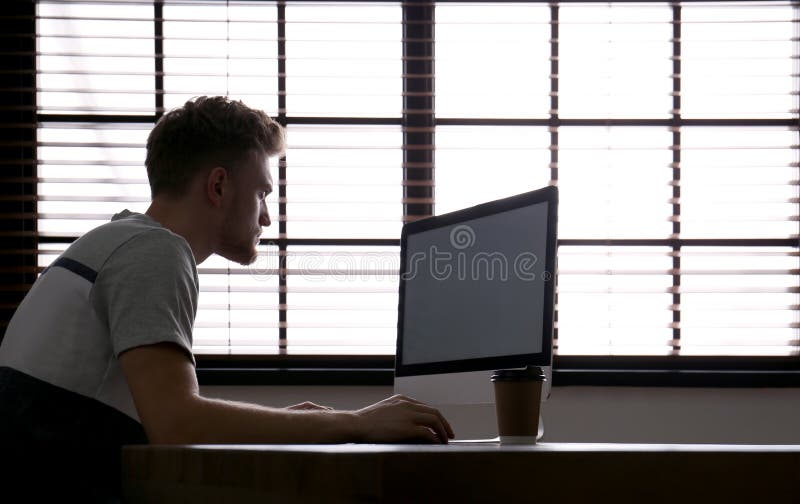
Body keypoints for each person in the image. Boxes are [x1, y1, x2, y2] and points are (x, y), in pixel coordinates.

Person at [0, 96, 453, 500]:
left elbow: (170, 414)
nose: (267, 218)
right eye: (261, 193)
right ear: (218, 186)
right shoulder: (155, 251)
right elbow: (178, 425)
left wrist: (285, 424)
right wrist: (356, 422)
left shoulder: (116, 240)